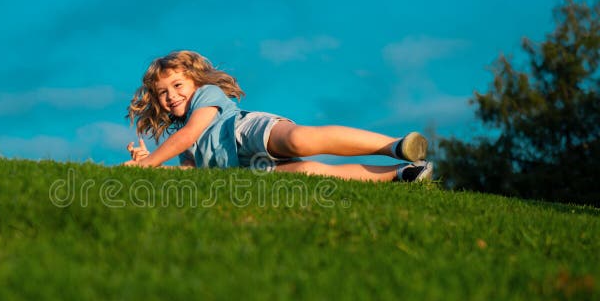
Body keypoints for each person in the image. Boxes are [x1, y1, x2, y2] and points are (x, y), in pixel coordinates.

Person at [124, 50, 433, 182]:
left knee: (300, 141)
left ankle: (396, 145)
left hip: (245, 131)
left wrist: (152, 161)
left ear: (196, 81)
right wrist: (148, 168)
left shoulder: (206, 97)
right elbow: (190, 173)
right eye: (163, 93)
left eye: (177, 85)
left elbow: (189, 134)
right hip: (245, 168)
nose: (171, 95)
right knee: (310, 173)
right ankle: (402, 174)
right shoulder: (186, 149)